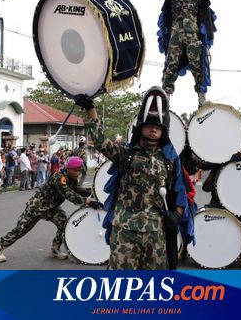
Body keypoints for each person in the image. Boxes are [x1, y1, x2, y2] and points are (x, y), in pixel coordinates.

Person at [79, 87, 193, 270]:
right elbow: (100, 141)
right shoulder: (125, 154)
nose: (154, 131)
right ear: (140, 128)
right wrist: (90, 108)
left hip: (155, 232)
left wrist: (177, 216)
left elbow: (180, 190)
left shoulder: (170, 160)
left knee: (154, 288)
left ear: (164, 132)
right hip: (124, 230)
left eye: (158, 128)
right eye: (149, 126)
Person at [139, 0, 233, 107]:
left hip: (193, 38)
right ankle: (166, 98)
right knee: (170, 67)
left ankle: (201, 99)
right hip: (175, 38)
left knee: (198, 68)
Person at [0, 156, 101, 262]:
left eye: (79, 170)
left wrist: (94, 191)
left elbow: (76, 189)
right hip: (37, 207)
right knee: (22, 229)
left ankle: (55, 250)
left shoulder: (71, 178)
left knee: (64, 223)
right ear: (68, 169)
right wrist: (89, 202)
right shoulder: (59, 177)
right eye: (76, 170)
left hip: (51, 208)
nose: (78, 173)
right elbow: (69, 194)